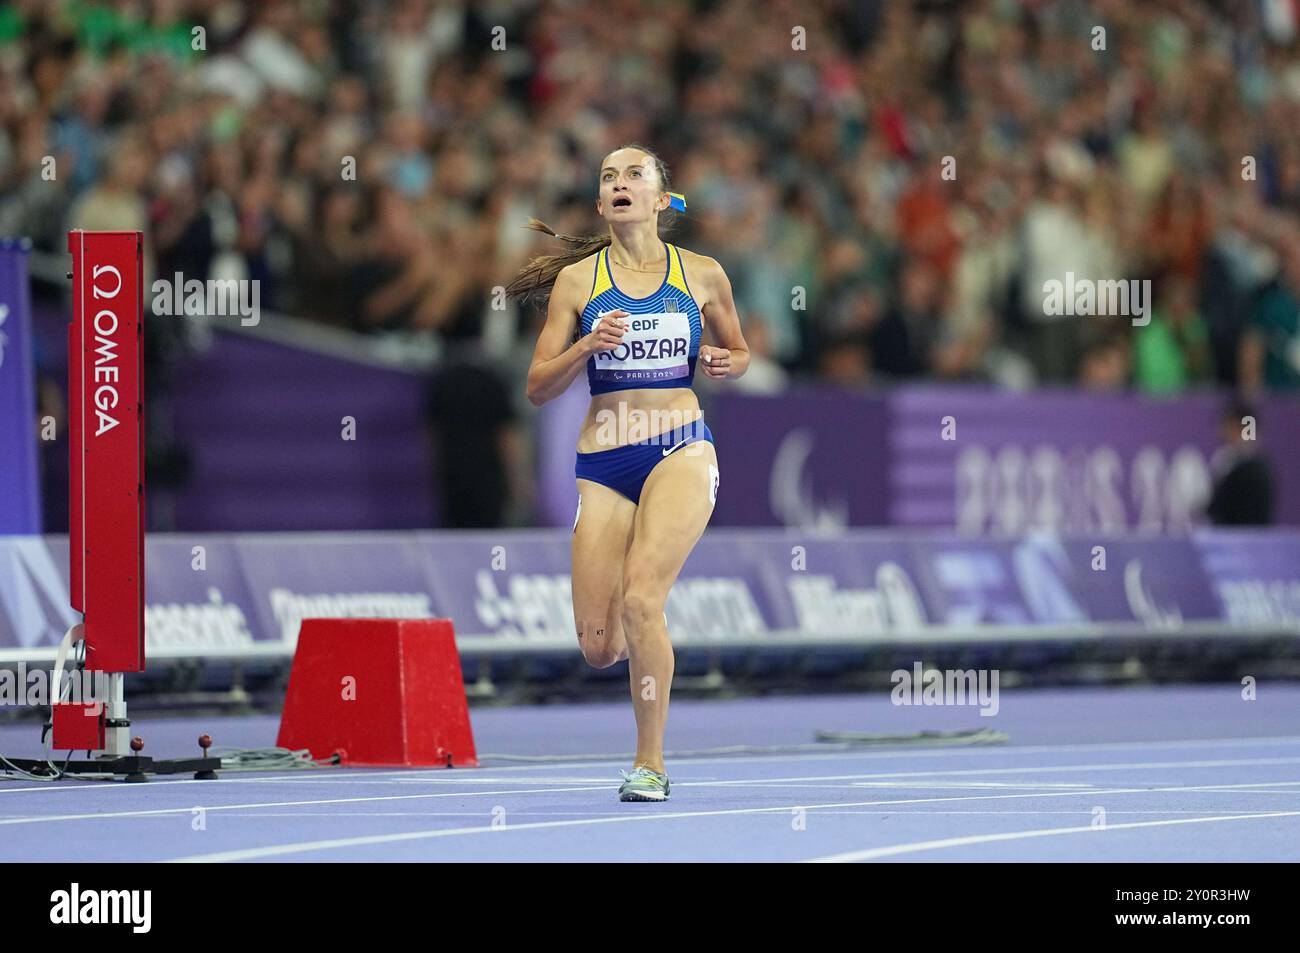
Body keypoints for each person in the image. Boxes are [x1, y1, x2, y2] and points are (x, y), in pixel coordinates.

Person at [507, 144, 749, 801]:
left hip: (679, 448)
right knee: (597, 643)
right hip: (605, 461)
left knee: (644, 595)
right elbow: (535, 386)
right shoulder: (579, 284)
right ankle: (645, 645)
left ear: (661, 199)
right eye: (608, 176)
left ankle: (651, 762)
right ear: (600, 203)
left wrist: (730, 363)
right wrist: (587, 344)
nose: (619, 183)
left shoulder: (701, 273)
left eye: (633, 174)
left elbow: (740, 347)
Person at [1206, 401, 1274, 526]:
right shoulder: (1226, 461)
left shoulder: (1256, 469)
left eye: (1227, 425)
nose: (1221, 431)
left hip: (1244, 537)